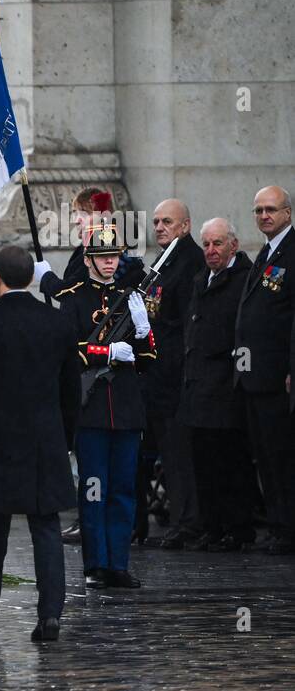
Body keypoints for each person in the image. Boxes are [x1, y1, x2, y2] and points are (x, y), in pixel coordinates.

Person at [0, 246, 80, 642]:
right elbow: (70, 389)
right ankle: (50, 614)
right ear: (32, 278)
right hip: (46, 439)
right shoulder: (58, 322)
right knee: (45, 528)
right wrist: (68, 436)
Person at [55, 222, 156, 588]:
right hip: (93, 408)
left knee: (124, 489)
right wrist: (106, 351)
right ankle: (96, 563)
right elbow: (68, 352)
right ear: (88, 260)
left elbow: (147, 359)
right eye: (102, 257)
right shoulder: (74, 298)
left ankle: (118, 562)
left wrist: (143, 332)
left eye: (114, 256)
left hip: (126, 408)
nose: (110, 263)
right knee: (94, 487)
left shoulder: (132, 298)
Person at [181, 217, 257, 551]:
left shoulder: (244, 280)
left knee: (231, 463)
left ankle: (237, 527)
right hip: (199, 385)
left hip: (226, 386)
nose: (211, 251)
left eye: (218, 244)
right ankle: (211, 526)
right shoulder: (201, 279)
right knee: (204, 463)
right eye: (207, 244)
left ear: (233, 245)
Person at [139, 198, 205, 548]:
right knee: (168, 452)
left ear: (185, 226)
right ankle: (180, 520)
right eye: (156, 222)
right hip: (157, 376)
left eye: (167, 221)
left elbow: (184, 326)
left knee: (180, 455)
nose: (159, 227)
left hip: (175, 375)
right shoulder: (164, 262)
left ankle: (188, 522)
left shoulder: (189, 261)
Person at [234, 185, 294, 554]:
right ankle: (277, 524)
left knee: (282, 457)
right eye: (258, 211)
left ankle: (287, 528)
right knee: (267, 457)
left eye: (270, 210)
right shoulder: (267, 252)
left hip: (278, 377)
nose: (264, 216)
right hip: (256, 377)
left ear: (288, 213)